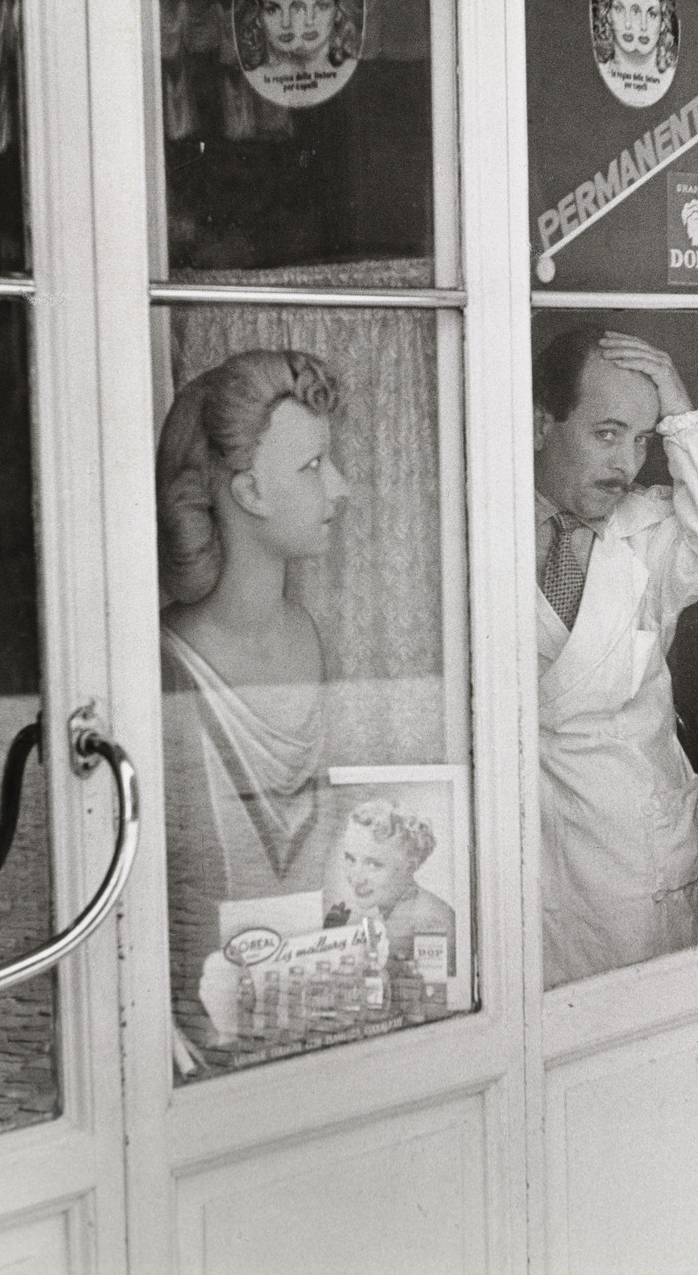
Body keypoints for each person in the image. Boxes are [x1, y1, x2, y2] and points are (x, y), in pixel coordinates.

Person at [533, 325, 698, 988]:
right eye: (605, 433)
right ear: (543, 424)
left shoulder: (650, 530)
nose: (625, 462)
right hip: (530, 842)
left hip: (635, 845)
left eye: (641, 439)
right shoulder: (484, 527)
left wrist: (683, 414)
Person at [156, 349, 350, 1038]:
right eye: (311, 467)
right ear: (247, 493)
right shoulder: (168, 665)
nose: (339, 487)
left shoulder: (305, 636)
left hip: (303, 996)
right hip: (201, 1018)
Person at [326, 799, 456, 970]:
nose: (356, 877)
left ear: (410, 865)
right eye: (350, 859)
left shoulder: (431, 921)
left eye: (373, 864)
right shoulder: (387, 912)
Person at [234, 0, 362, 107]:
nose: (287, 23)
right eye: (273, 10)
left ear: (338, 11)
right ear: (257, 16)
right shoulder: (248, 79)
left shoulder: (354, 72)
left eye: (322, 6)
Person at [592, 0, 677, 107]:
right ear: (608, 14)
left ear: (663, 21)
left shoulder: (671, 78)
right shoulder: (598, 73)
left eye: (652, 14)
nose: (640, 26)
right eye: (620, 9)